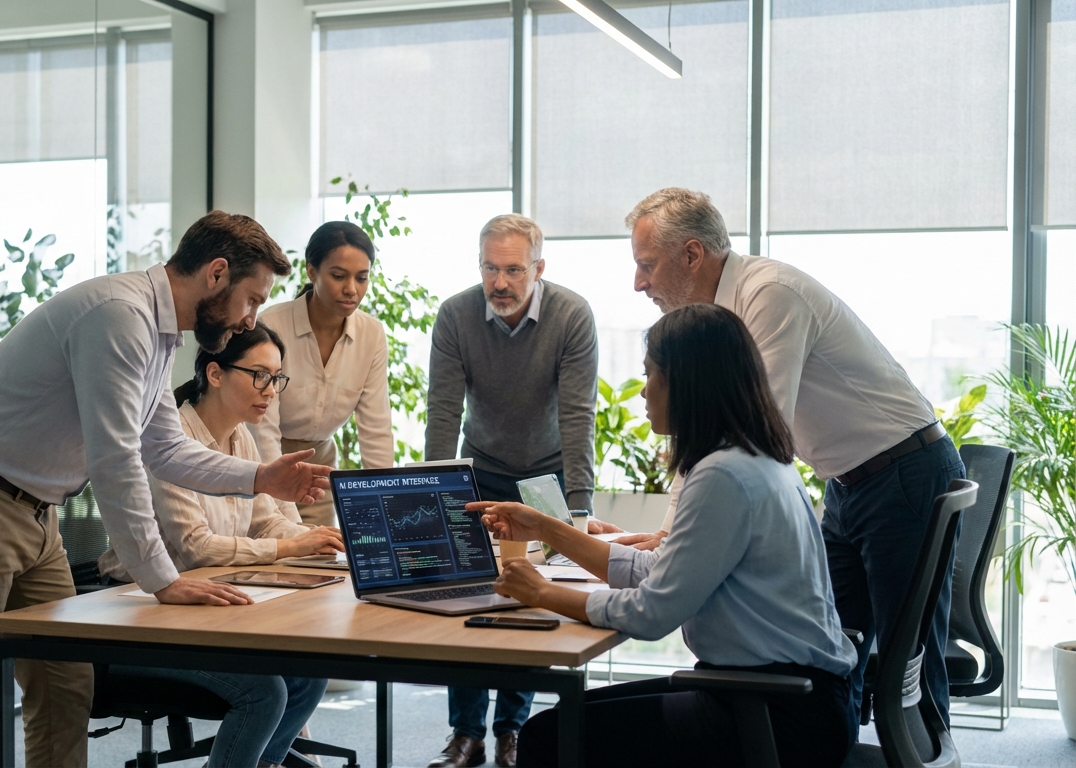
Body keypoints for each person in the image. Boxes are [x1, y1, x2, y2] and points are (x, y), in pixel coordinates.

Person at [0, 211, 333, 768]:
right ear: (217, 274)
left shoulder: (157, 332)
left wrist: (258, 478)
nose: (250, 320)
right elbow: (116, 458)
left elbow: (165, 448)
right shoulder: (120, 317)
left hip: (35, 513)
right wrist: (162, 580)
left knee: (64, 687)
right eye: (252, 299)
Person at [623, 188, 965, 732]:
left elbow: (744, 430)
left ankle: (924, 758)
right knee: (829, 653)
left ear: (691, 254)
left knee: (908, 664)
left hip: (902, 472)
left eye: (647, 265)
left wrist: (676, 532)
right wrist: (672, 532)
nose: (639, 283)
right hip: (850, 483)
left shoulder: (769, 294)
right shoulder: (723, 312)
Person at [472, 303, 858, 768]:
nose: (643, 392)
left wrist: (544, 593)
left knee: (549, 738)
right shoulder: (757, 458)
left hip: (775, 714)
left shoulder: (724, 475)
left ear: (686, 383)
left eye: (650, 374)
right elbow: (658, 571)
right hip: (787, 696)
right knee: (561, 721)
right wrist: (545, 526)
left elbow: (653, 612)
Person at [96, 322, 341, 768]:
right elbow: (196, 548)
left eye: (277, 378)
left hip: (201, 608)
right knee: (264, 692)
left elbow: (265, 521)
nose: (271, 390)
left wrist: (319, 542)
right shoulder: (169, 442)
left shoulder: (239, 437)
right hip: (143, 614)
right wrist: (290, 549)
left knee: (309, 674)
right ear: (214, 373)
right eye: (259, 375)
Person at [423, 213, 598, 768]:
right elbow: (443, 411)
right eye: (490, 268)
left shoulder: (571, 315)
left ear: (539, 269)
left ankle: (510, 731)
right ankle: (467, 733)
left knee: (527, 593)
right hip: (479, 470)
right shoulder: (455, 314)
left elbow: (578, 417)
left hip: (544, 474)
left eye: (514, 270)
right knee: (467, 591)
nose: (499, 283)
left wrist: (579, 509)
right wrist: (436, 493)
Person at [253, 220, 393, 527]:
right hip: (264, 460)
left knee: (322, 559)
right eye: (338, 276)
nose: (351, 289)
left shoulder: (371, 334)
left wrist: (385, 504)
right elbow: (263, 427)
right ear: (312, 271)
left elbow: (375, 427)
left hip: (320, 464)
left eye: (362, 278)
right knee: (274, 555)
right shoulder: (273, 325)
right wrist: (285, 515)